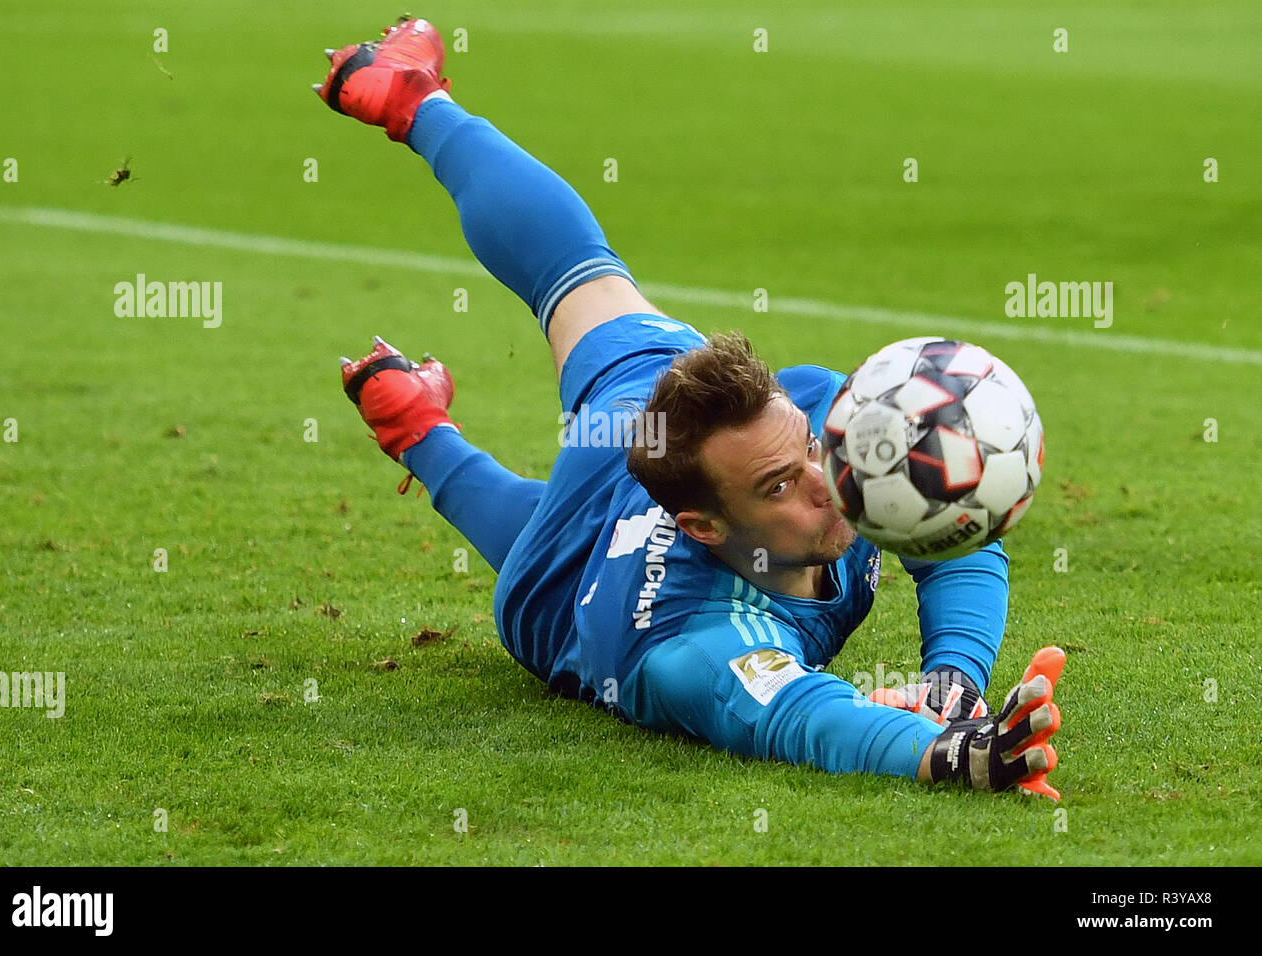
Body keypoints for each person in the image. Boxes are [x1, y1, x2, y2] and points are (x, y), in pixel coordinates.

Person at [316, 18, 1062, 796]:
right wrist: (947, 754)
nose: (825, 481)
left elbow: (950, 516)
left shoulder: (823, 418)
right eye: (780, 486)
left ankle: (414, 107)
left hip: (648, 408)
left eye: (811, 449)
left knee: (581, 278)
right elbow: (801, 716)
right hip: (566, 591)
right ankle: (417, 428)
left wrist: (955, 679)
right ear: (705, 527)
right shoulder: (695, 642)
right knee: (539, 549)